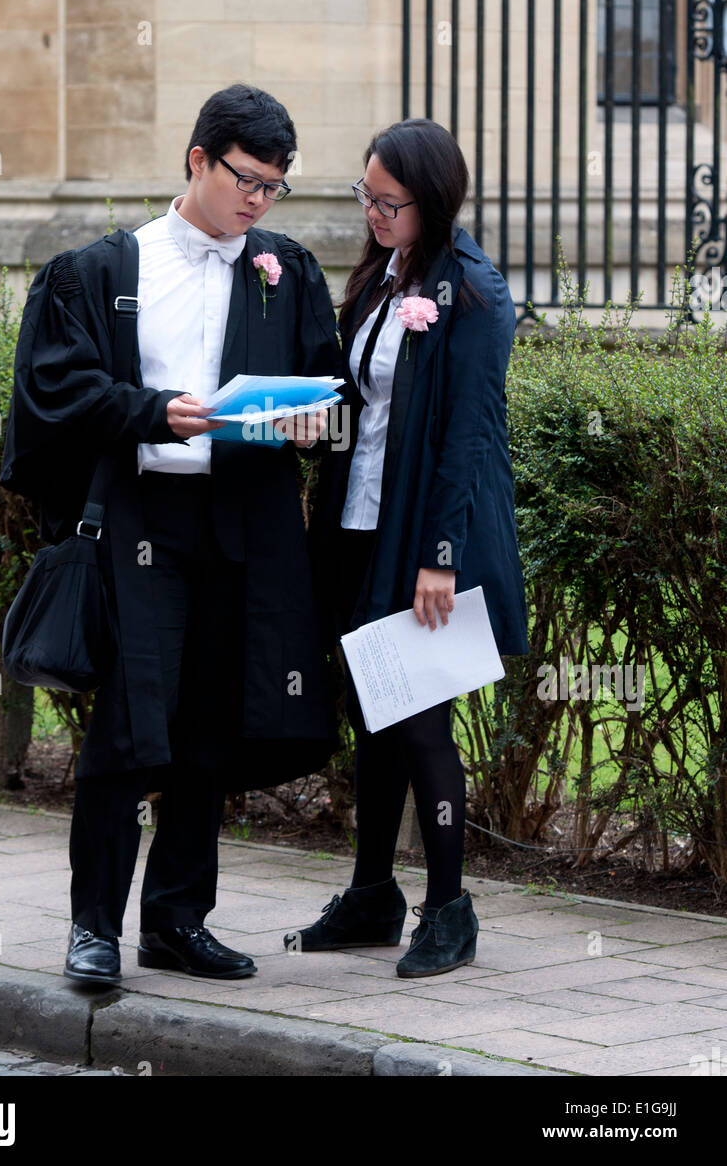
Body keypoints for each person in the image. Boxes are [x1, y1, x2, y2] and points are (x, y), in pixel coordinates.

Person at [0, 83, 344, 984]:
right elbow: (54, 393)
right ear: (198, 160)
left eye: (275, 187)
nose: (257, 202)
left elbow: (324, 381)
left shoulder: (286, 269)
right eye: (246, 180)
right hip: (140, 523)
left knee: (209, 730)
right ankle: (93, 930)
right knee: (127, 729)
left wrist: (308, 420)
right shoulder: (104, 270)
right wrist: (157, 413)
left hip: (241, 525)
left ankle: (176, 921)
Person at [291, 118, 529, 978]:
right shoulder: (381, 281)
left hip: (423, 542)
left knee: (422, 724)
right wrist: (311, 427)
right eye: (366, 196)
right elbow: (364, 406)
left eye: (386, 201)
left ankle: (450, 910)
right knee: (374, 717)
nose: (372, 212)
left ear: (429, 200)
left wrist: (440, 554)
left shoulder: (471, 292)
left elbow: (469, 435)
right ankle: (370, 896)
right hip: (357, 529)